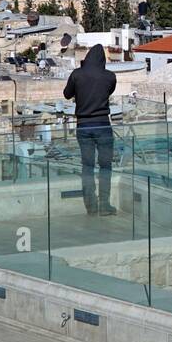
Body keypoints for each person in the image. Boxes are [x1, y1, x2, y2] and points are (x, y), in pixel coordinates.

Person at [63, 43, 118, 215]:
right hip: (102, 124)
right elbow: (109, 91)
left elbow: (67, 94)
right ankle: (104, 204)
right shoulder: (109, 76)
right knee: (105, 166)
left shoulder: (77, 74)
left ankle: (91, 205)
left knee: (87, 165)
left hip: (83, 125)